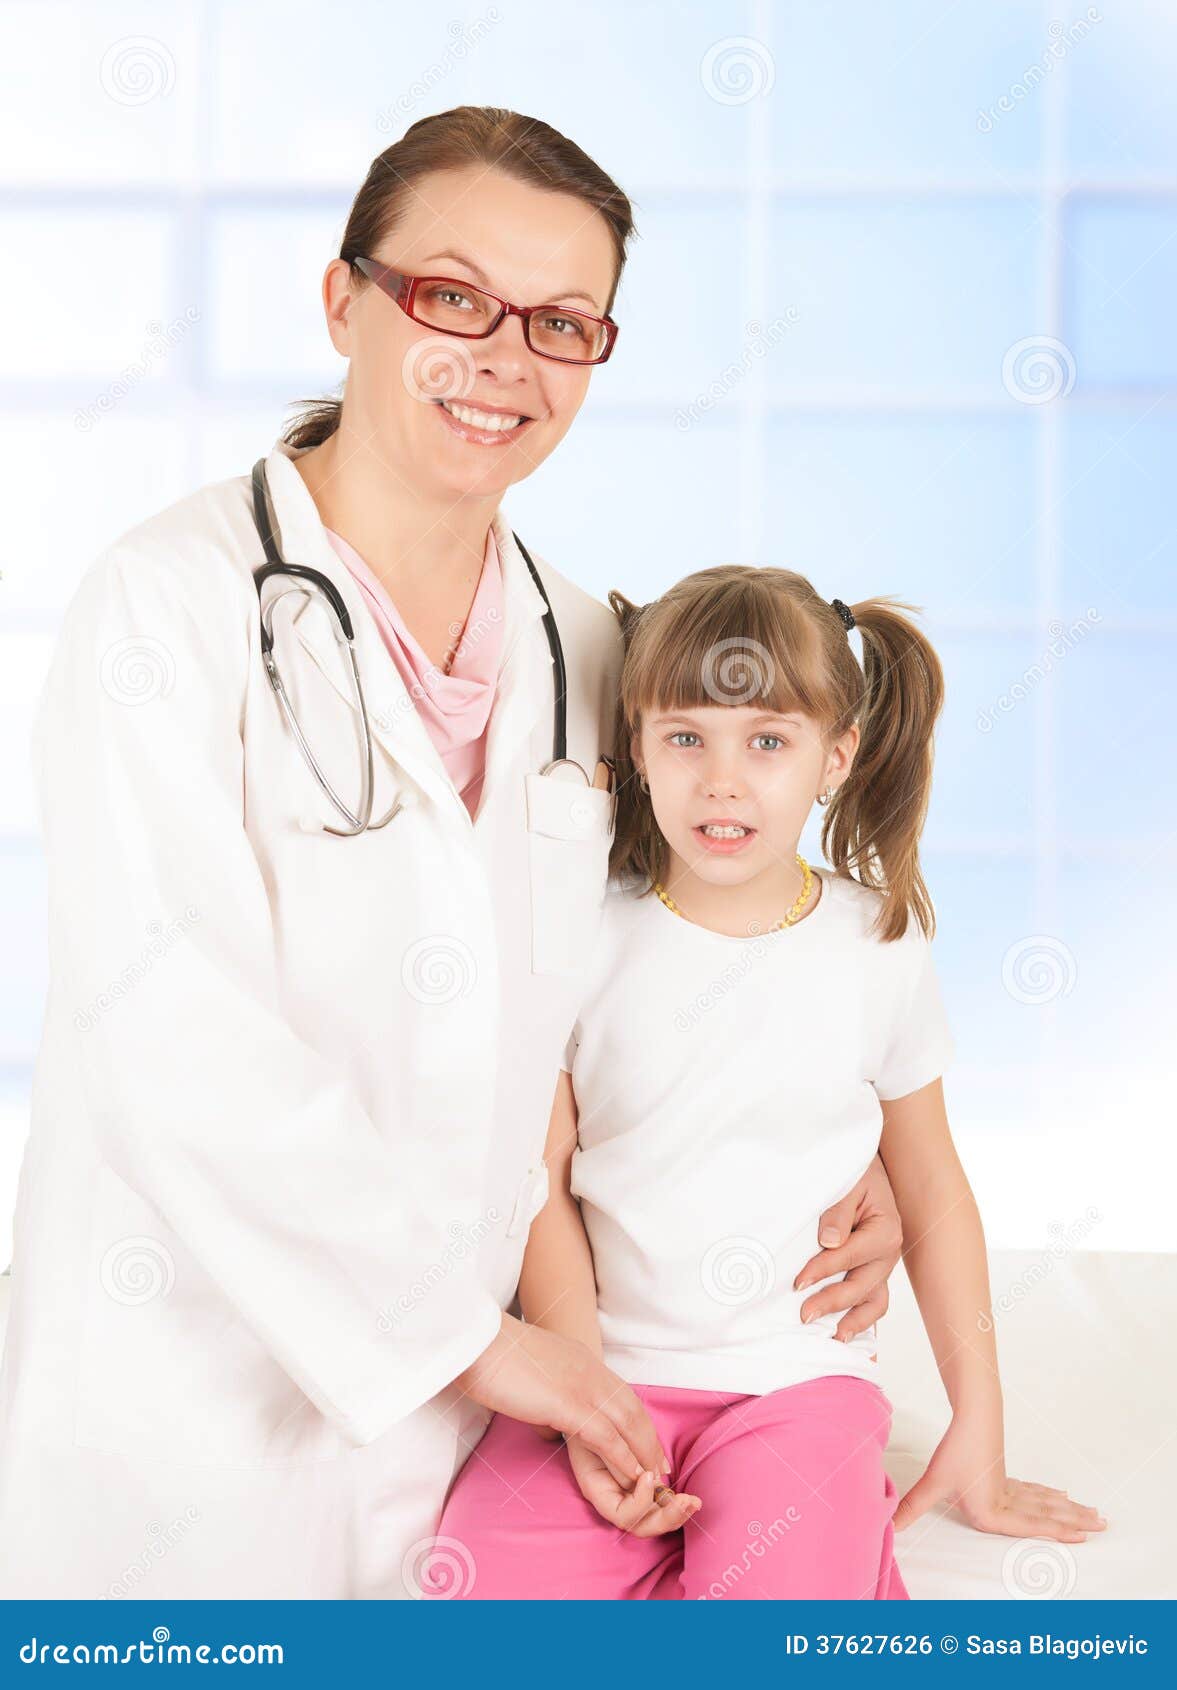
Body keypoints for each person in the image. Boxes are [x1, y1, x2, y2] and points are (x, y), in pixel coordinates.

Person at [0, 111, 900, 1600]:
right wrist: (472, 1343)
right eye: (453, 297)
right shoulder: (163, 608)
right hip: (193, 1407)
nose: (505, 359)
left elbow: (672, 960)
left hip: (494, 1422)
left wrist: (845, 1148)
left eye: (561, 322)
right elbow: (170, 1038)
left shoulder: (590, 645)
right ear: (344, 299)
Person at [435, 566, 1107, 1600]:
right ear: (636, 746)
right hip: (606, 1370)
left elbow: (931, 1186)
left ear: (834, 756)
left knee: (772, 1633)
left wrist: (979, 1425)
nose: (722, 782)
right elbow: (546, 1186)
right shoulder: (580, 934)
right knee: (474, 1599)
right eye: (685, 737)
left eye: (767, 742)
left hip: (795, 1388)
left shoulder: (876, 942)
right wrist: (584, 1400)